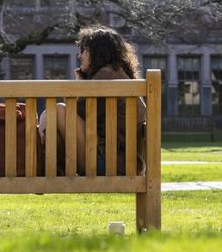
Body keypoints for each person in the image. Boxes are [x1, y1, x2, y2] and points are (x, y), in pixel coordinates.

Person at [38, 26, 146, 175]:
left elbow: (75, 113)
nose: (79, 56)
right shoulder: (117, 74)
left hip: (110, 164)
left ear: (95, 52)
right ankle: (46, 164)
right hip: (122, 163)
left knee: (56, 110)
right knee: (53, 130)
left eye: (83, 50)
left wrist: (80, 85)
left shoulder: (106, 76)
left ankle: (38, 162)